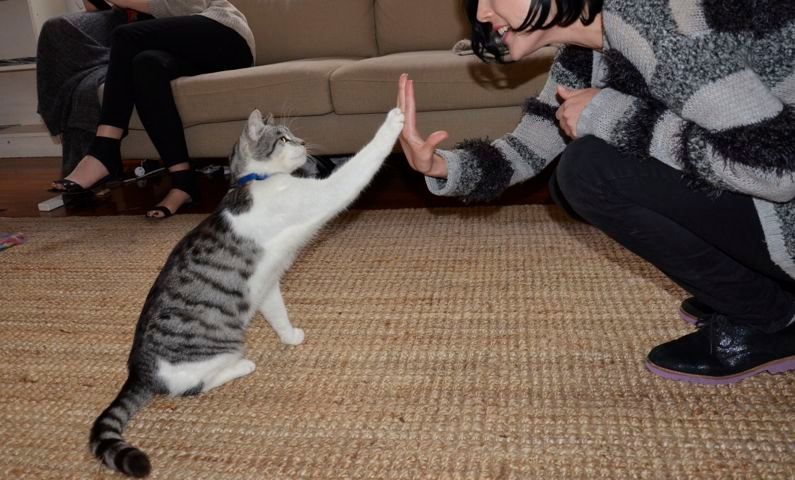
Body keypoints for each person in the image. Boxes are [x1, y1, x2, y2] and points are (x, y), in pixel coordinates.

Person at [396, 0, 795, 384]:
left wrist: (613, 115)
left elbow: (774, 171)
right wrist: (441, 166)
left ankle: (772, 321)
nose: (481, 13)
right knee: (573, 182)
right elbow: (530, 147)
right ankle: (756, 285)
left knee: (590, 172)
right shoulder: (590, 48)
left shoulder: (667, 25)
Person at [49, 0, 255, 219]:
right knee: (146, 66)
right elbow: (96, 10)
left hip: (226, 36)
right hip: (186, 53)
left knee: (125, 36)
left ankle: (104, 150)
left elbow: (189, 5)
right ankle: (183, 184)